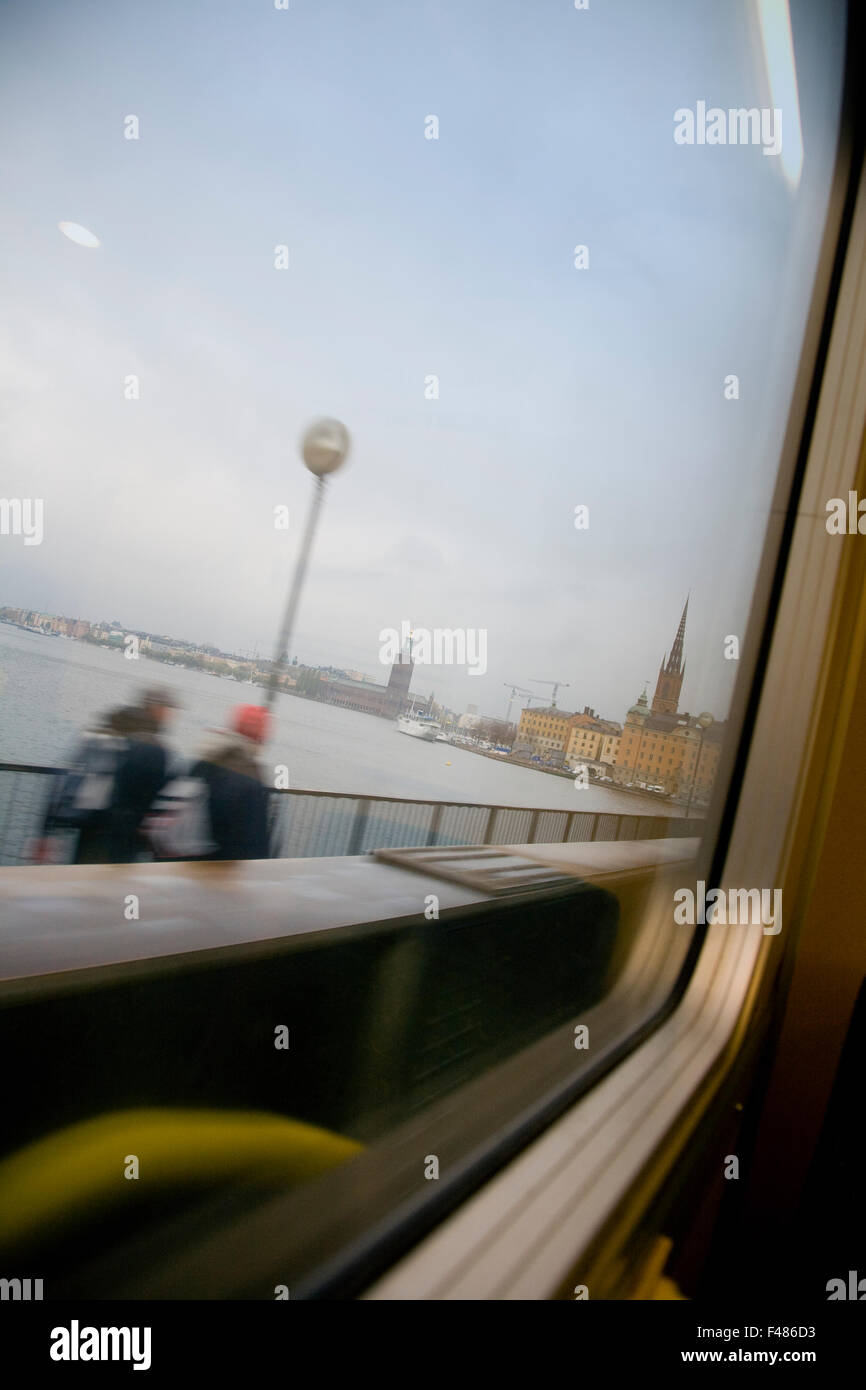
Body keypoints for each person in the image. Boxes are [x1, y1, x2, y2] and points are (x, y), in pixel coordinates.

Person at [186, 704, 272, 861]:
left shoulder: (206, 757)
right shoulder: (250, 777)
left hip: (184, 856)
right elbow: (255, 843)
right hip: (221, 870)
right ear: (260, 738)